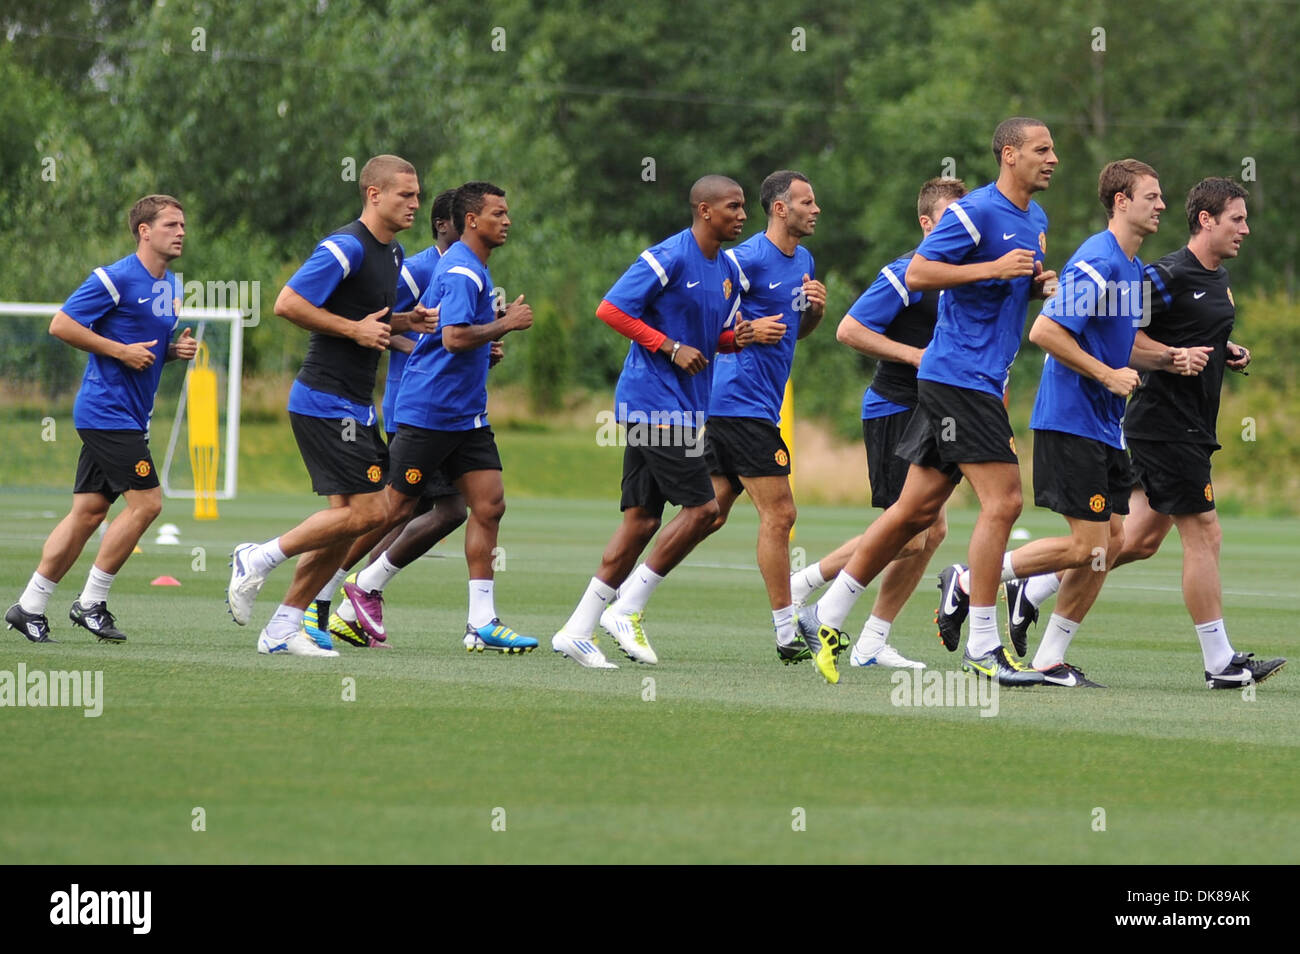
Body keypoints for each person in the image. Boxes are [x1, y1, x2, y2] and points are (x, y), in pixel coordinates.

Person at [798, 117, 1057, 686]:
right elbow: (918, 271)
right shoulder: (975, 211)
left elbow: (1000, 286)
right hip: (957, 375)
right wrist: (993, 268)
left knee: (915, 515)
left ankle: (827, 611)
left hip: (976, 378)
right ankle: (984, 645)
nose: (1053, 158)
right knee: (1005, 502)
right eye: (1043, 149)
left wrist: (1034, 287)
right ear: (1009, 155)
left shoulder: (1035, 219)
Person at [1006, 177, 1285, 689]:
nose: (1245, 229)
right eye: (1237, 219)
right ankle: (1220, 663)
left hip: (1193, 425)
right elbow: (1125, 336)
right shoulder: (1163, 275)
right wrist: (1156, 363)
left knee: (1131, 542)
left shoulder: (1216, 278)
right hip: (1163, 424)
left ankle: (1035, 587)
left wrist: (1224, 351)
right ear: (1206, 220)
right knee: (1205, 533)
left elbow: (1186, 334)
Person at [941, 160, 1177, 688]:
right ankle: (966, 579)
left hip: (1104, 426)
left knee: (1110, 544)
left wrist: (1170, 358)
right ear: (1121, 201)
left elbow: (1126, 346)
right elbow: (1046, 331)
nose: (1161, 205)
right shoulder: (1097, 257)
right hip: (1069, 420)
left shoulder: (1133, 268)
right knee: (1085, 546)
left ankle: (1050, 659)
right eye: (1152, 196)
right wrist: (1108, 376)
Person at [226, 155, 431, 657]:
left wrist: (405, 322)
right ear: (373, 194)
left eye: (418, 194)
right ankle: (258, 555)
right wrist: (355, 329)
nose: (416, 203)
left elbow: (366, 315)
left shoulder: (395, 253)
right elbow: (287, 303)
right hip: (324, 399)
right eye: (405, 194)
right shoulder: (346, 246)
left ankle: (282, 627)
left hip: (354, 404)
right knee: (374, 509)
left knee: (351, 522)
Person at [551, 175, 751, 669]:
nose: (743, 215)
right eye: (734, 206)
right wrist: (667, 346)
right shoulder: (670, 255)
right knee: (705, 511)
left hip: (682, 407)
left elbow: (703, 339)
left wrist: (731, 340)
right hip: (654, 405)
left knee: (642, 520)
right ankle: (627, 608)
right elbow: (611, 308)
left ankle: (577, 630)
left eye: (744, 206)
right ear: (704, 210)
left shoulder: (726, 269)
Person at [789, 177, 967, 671]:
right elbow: (849, 329)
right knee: (911, 534)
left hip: (934, 411)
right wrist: (916, 356)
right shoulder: (906, 272)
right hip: (895, 408)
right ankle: (803, 587)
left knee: (931, 532)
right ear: (926, 223)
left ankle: (872, 639)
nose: (961, 229)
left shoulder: (963, 276)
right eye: (950, 219)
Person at [6, 195, 197, 643]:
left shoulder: (172, 286)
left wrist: (171, 352)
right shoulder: (114, 278)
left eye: (184, 224)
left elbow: (140, 350)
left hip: (128, 415)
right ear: (144, 232)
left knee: (89, 513)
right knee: (148, 504)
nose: (181, 231)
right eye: (171, 224)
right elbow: (62, 324)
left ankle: (29, 606)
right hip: (106, 413)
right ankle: (91, 603)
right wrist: (118, 351)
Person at [304, 189, 471, 650]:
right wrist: (422, 345)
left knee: (409, 510)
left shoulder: (467, 267)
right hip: (411, 408)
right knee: (400, 510)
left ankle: (344, 602)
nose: (474, 229)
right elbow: (380, 323)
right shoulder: (415, 268)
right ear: (445, 224)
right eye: (466, 221)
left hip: (449, 411)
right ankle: (333, 595)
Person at [377, 181, 537, 652]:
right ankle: (317, 591)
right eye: (498, 213)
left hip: (465, 415)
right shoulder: (462, 270)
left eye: (508, 213)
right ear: (471, 220)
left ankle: (481, 620)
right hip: (430, 411)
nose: (507, 221)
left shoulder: (473, 270)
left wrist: (489, 335)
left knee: (487, 505)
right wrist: (503, 324)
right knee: (388, 512)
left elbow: (460, 336)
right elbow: (453, 338)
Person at [697, 170, 826, 669]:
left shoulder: (806, 260)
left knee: (706, 514)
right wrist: (743, 330)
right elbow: (705, 317)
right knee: (781, 514)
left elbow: (795, 333)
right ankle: (786, 630)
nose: (815, 210)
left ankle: (626, 599)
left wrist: (814, 311)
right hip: (739, 401)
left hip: (750, 404)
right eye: (806, 202)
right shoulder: (745, 257)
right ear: (779, 208)